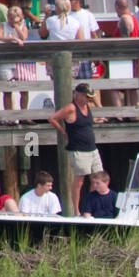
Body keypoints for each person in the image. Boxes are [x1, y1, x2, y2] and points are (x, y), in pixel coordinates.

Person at [48, 83, 101, 216]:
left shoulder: (87, 106)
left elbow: (87, 122)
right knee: (79, 181)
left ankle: (90, 207)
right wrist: (63, 132)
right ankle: (76, 211)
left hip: (92, 148)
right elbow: (53, 119)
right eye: (87, 96)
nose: (89, 99)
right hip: (78, 149)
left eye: (90, 97)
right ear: (78, 95)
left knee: (98, 178)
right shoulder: (71, 108)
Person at [0, 4, 30, 114]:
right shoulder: (2, 25)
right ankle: (9, 117)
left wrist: (17, 26)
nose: (11, 20)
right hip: (5, 61)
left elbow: (24, 38)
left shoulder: (23, 25)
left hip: (19, 62)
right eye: (10, 17)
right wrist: (13, 38)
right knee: (7, 90)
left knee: (24, 89)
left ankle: (24, 115)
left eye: (14, 18)